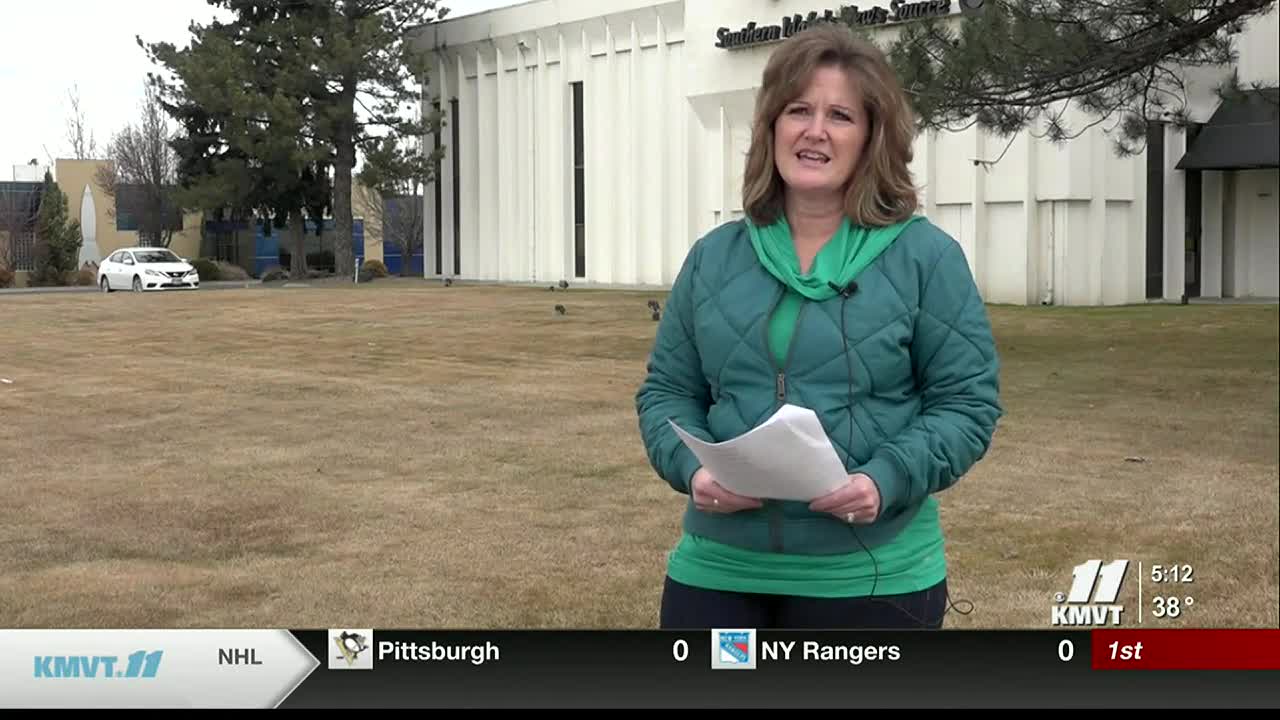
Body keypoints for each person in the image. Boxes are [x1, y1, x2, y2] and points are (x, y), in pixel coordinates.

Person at [634, 23, 1003, 630]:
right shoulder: (713, 257)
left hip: (872, 575)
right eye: (799, 110)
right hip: (719, 570)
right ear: (772, 126)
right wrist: (691, 469)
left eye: (840, 116)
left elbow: (966, 405)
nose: (815, 130)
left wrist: (885, 479)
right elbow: (668, 392)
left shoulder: (926, 258)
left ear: (871, 137)